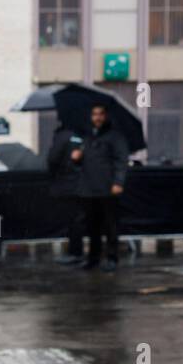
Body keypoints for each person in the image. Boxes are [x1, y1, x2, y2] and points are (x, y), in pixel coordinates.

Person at [76, 104, 129, 271]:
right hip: (89, 189)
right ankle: (93, 259)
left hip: (107, 188)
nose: (97, 118)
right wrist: (76, 158)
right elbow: (83, 161)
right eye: (94, 114)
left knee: (110, 225)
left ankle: (112, 258)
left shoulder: (115, 137)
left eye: (100, 114)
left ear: (106, 116)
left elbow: (121, 161)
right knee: (92, 226)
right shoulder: (87, 137)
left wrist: (118, 182)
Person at [46, 121, 85, 263]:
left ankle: (75, 253)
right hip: (83, 185)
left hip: (66, 185)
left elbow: (52, 159)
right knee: (78, 220)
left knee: (72, 220)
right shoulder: (84, 135)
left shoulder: (63, 135)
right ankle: (77, 252)